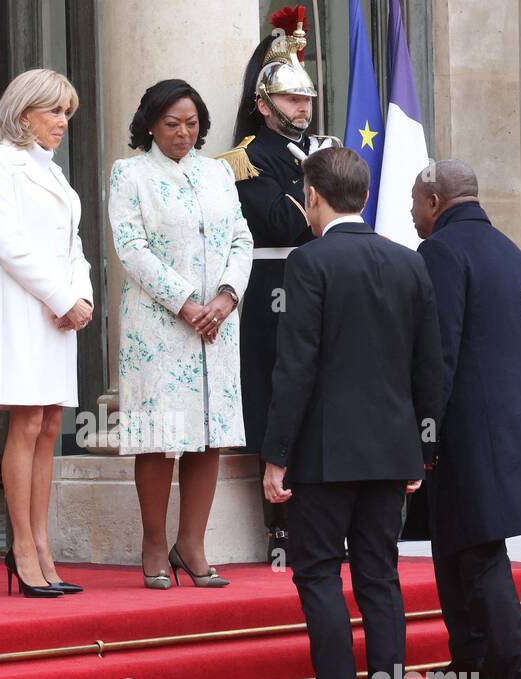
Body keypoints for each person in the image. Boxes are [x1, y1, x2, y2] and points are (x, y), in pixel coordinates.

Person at [263, 147, 443, 679]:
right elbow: (431, 368)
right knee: (380, 581)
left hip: (323, 455)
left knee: (317, 575)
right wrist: (423, 450)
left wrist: (275, 455)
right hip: (392, 453)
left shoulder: (309, 262)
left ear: (313, 196)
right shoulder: (409, 262)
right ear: (363, 196)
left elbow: (296, 368)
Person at [411, 161, 521, 679]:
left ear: (433, 198)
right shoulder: (507, 250)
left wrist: (423, 434)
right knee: (454, 543)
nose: (410, 214)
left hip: (467, 428)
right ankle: (470, 662)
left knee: (478, 554)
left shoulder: (442, 254)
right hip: (509, 420)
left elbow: (437, 356)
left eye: (413, 202)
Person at [109, 80, 253, 589]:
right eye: (172, 124)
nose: (183, 133)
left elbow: (241, 235)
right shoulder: (130, 174)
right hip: (159, 325)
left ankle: (191, 543)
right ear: (150, 123)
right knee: (157, 436)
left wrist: (226, 297)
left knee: (208, 437)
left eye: (192, 124)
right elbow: (131, 248)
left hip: (217, 324)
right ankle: (153, 542)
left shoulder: (217, 173)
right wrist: (187, 302)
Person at [222, 9, 339, 564]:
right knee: (277, 400)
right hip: (276, 287)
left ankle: (328, 516)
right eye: (293, 100)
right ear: (264, 104)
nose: (304, 108)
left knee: (325, 395)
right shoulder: (246, 158)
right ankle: (283, 526)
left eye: (307, 100)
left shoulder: (318, 149)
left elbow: (344, 212)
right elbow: (282, 223)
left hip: (325, 282)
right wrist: (316, 178)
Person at [0, 69, 94, 598]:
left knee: (50, 424)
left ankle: (44, 544)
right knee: (26, 421)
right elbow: (10, 244)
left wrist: (83, 296)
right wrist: (61, 298)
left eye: (67, 113)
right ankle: (23, 547)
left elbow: (73, 245)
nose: (62, 122)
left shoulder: (55, 174)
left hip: (58, 310)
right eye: (54, 112)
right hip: (26, 308)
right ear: (25, 112)